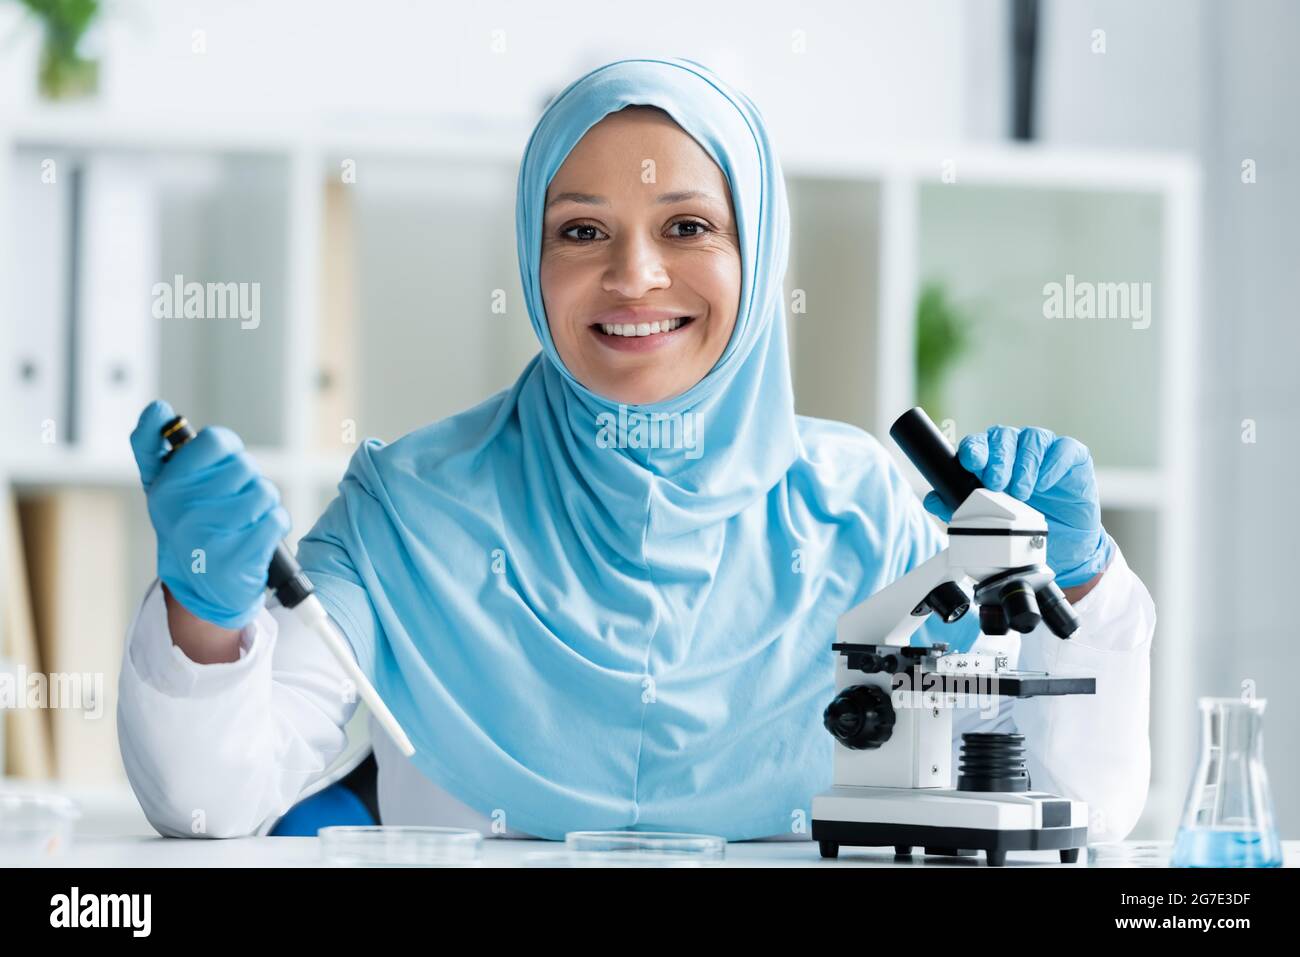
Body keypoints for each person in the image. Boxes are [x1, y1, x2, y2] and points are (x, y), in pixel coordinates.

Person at [118, 57, 1155, 843]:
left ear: (758, 256)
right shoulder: (408, 508)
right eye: (581, 232)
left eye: (689, 226)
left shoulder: (871, 516)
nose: (635, 277)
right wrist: (205, 616)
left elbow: (1081, 811)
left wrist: (1081, 588)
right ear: (531, 259)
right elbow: (213, 804)